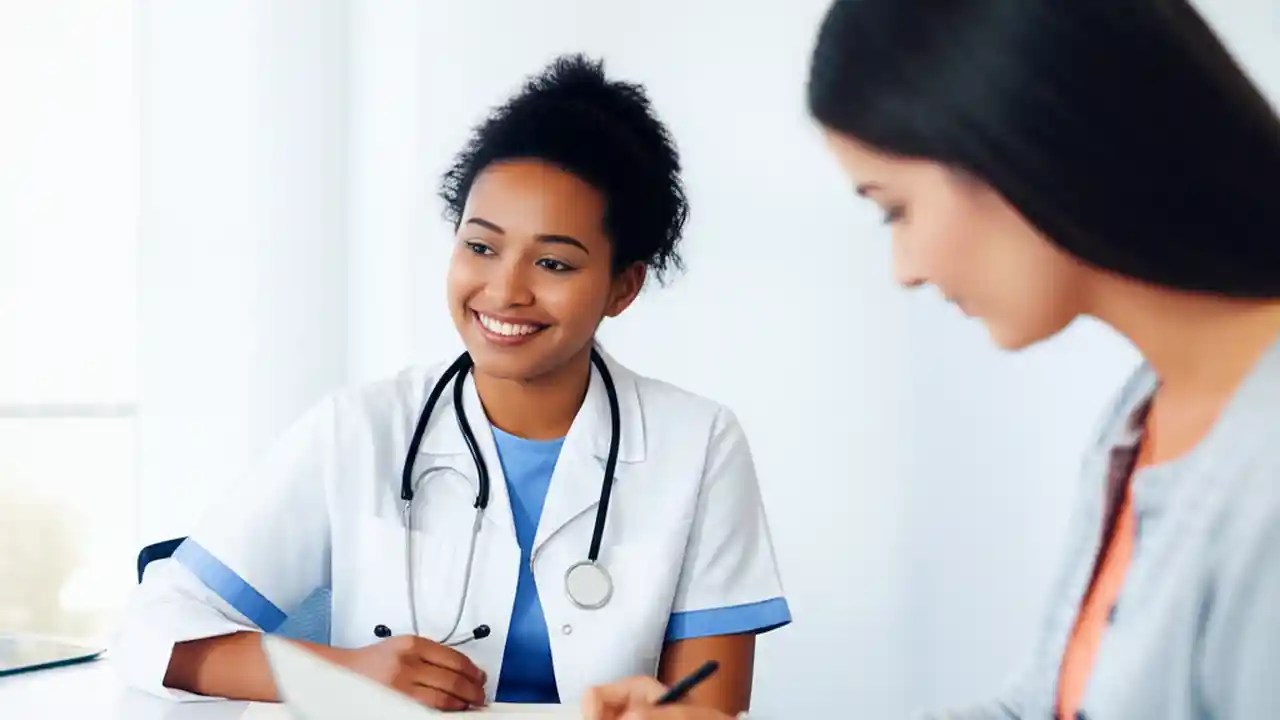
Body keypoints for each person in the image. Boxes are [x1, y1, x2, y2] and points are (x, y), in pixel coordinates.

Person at [583, 1, 1280, 718]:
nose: (904, 268)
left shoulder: (1263, 474)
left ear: (1019, 139)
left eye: (896, 209)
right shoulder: (1145, 418)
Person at [114, 55, 790, 715]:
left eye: (553, 262)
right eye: (481, 246)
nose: (505, 289)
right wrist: (342, 679)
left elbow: (706, 705)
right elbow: (149, 632)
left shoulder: (697, 443)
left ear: (623, 286)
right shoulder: (361, 428)